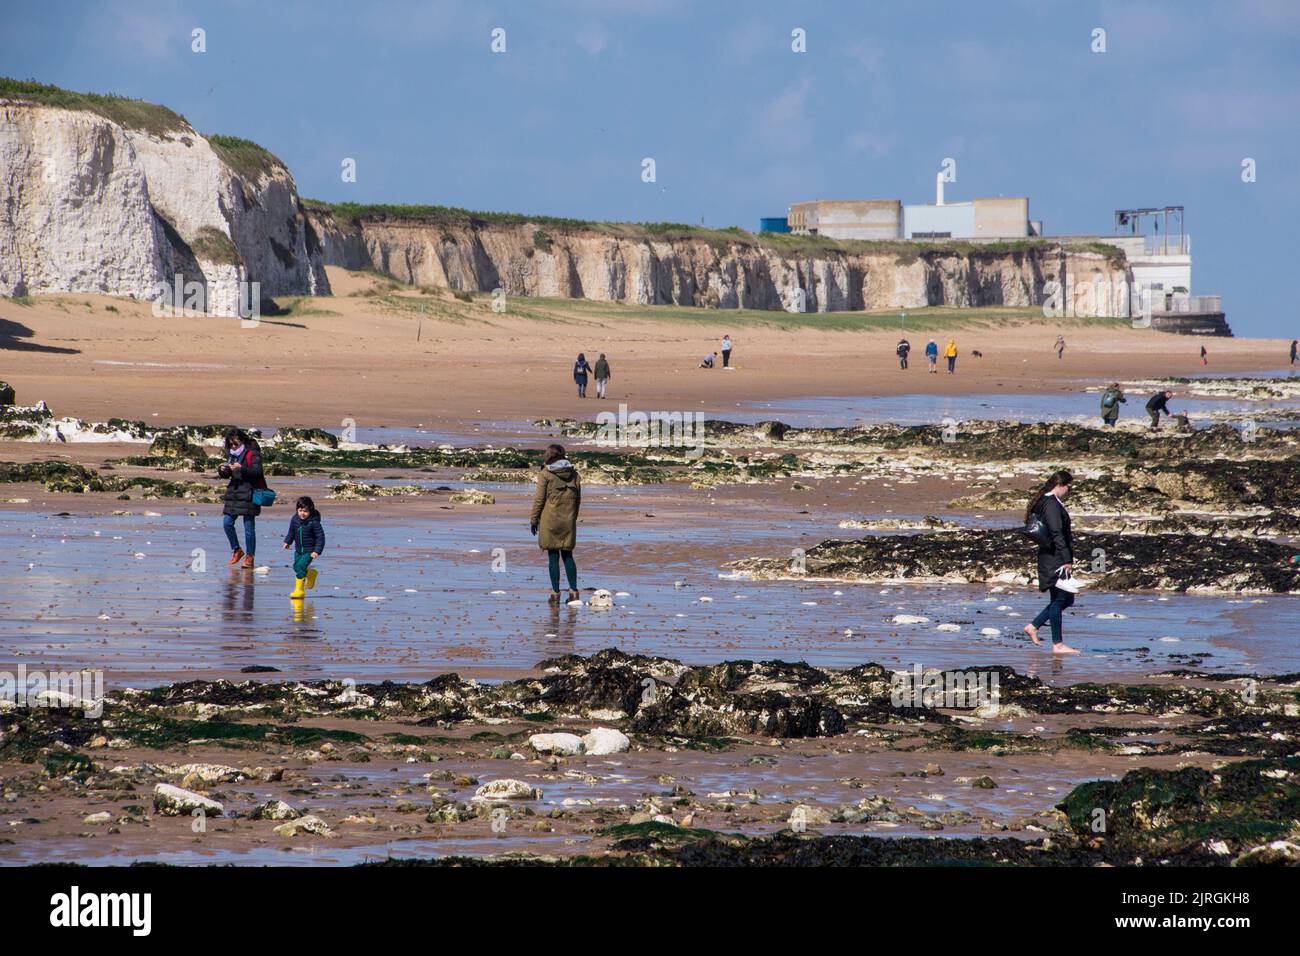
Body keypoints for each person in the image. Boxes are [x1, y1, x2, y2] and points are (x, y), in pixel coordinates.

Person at [1023, 469, 1080, 655]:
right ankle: (1057, 644)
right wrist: (1066, 559)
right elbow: (1056, 532)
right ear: (1060, 485)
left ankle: (1034, 626)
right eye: (1068, 486)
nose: (1069, 489)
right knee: (1060, 598)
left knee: (1065, 598)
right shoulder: (1051, 504)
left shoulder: (1048, 501)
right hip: (1054, 557)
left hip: (1051, 555)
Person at [530, 444, 581, 605]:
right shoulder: (574, 474)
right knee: (567, 554)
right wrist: (573, 517)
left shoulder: (545, 474)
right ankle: (574, 592)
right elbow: (578, 499)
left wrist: (533, 519)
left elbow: (539, 499)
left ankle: (555, 593)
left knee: (553, 555)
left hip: (550, 519)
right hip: (568, 518)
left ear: (548, 456)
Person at [219, 428, 266, 569]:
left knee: (248, 527)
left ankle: (250, 557)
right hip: (234, 492)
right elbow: (229, 473)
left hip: (249, 492)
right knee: (227, 523)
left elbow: (258, 472)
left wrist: (241, 468)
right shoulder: (231, 454)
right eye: (231, 444)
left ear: (243, 441)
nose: (233, 446)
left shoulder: (252, 453)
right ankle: (237, 550)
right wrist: (223, 470)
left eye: (236, 443)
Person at [283, 495, 325, 600]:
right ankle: (311, 574)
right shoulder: (294, 520)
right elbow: (291, 532)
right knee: (296, 566)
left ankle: (299, 591)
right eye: (300, 510)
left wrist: (317, 551)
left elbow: (320, 537)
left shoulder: (314, 522)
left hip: (309, 551)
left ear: (310, 511)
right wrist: (287, 541)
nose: (302, 513)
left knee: (300, 567)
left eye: (305, 511)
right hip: (298, 550)